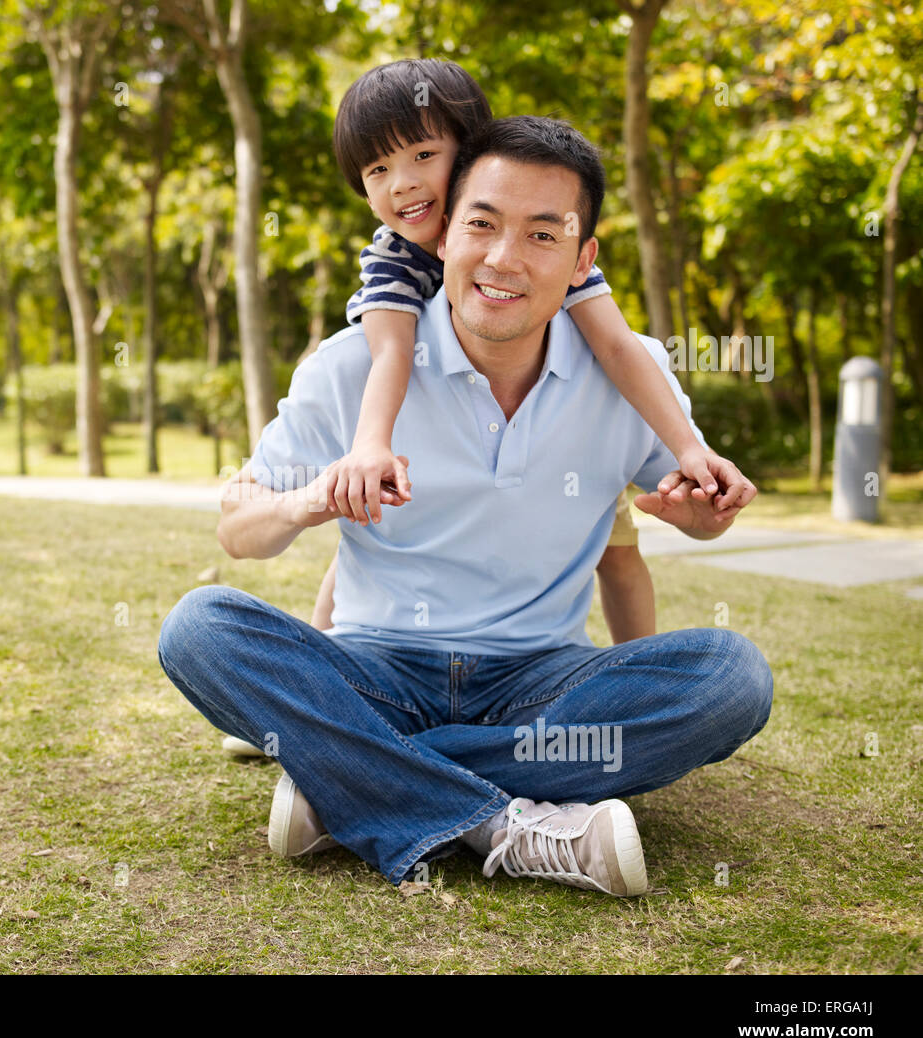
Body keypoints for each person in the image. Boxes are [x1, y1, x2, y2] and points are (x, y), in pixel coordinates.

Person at [157, 115, 771, 897]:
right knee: (200, 627)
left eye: (543, 235)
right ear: (445, 234)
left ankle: (353, 777)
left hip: (540, 680)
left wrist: (702, 513)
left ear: (585, 258)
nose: (504, 258)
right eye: (482, 224)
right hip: (375, 671)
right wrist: (314, 498)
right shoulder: (350, 368)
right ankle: (504, 821)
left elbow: (688, 496)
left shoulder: (631, 372)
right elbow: (237, 528)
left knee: (730, 676)